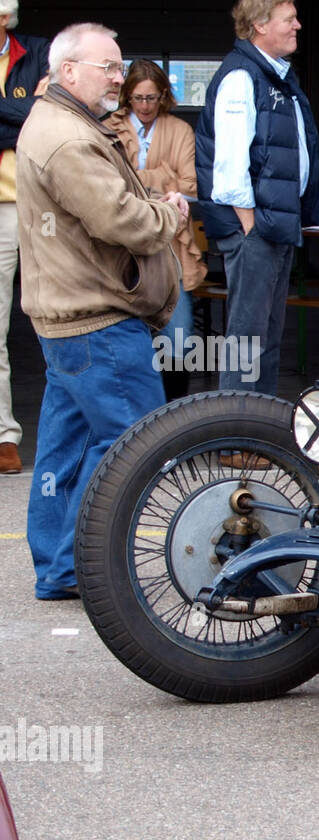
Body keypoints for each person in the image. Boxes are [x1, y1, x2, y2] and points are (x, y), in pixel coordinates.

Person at [17, 22, 186, 600]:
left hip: (70, 318)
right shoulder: (68, 138)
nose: (119, 77)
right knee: (136, 446)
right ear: (69, 72)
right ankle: (96, 569)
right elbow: (121, 221)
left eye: (120, 67)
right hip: (98, 320)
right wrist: (171, 215)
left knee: (68, 447)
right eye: (107, 67)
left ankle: (64, 568)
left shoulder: (60, 124)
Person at [195, 0, 319, 395]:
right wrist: (251, 227)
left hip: (274, 225)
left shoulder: (276, 77)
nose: (298, 26)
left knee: (266, 335)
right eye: (289, 20)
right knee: (247, 338)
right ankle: (237, 435)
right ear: (258, 25)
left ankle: (254, 433)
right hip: (256, 228)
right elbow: (230, 166)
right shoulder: (242, 77)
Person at [106, 59, 205, 401]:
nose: (145, 106)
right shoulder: (110, 128)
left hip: (171, 245)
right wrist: (164, 177)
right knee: (124, 337)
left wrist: (137, 181)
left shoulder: (180, 130)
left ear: (163, 96)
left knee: (178, 336)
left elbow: (190, 186)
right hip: (122, 247)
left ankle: (173, 414)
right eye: (138, 99)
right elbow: (108, 188)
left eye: (152, 98)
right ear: (126, 97)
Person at [0, 1, 48, 475]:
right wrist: (20, 113)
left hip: (36, 204)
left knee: (58, 316)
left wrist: (27, 112)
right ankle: (3, 436)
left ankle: (75, 430)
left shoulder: (37, 52)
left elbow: (45, 113)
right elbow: (28, 116)